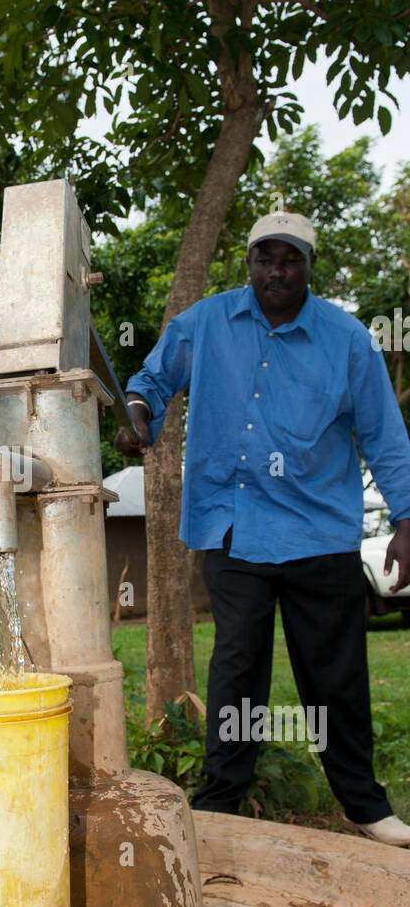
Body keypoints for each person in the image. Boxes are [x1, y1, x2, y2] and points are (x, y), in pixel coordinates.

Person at [116, 210, 410, 847]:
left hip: (318, 532)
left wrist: (407, 520)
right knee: (237, 665)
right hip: (234, 523)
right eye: (264, 259)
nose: (276, 272)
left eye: (290, 260)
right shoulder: (206, 322)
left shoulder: (347, 339)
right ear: (247, 263)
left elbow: (385, 436)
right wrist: (140, 413)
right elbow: (152, 379)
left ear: (309, 265)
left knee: (335, 674)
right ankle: (221, 802)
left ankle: (363, 804)